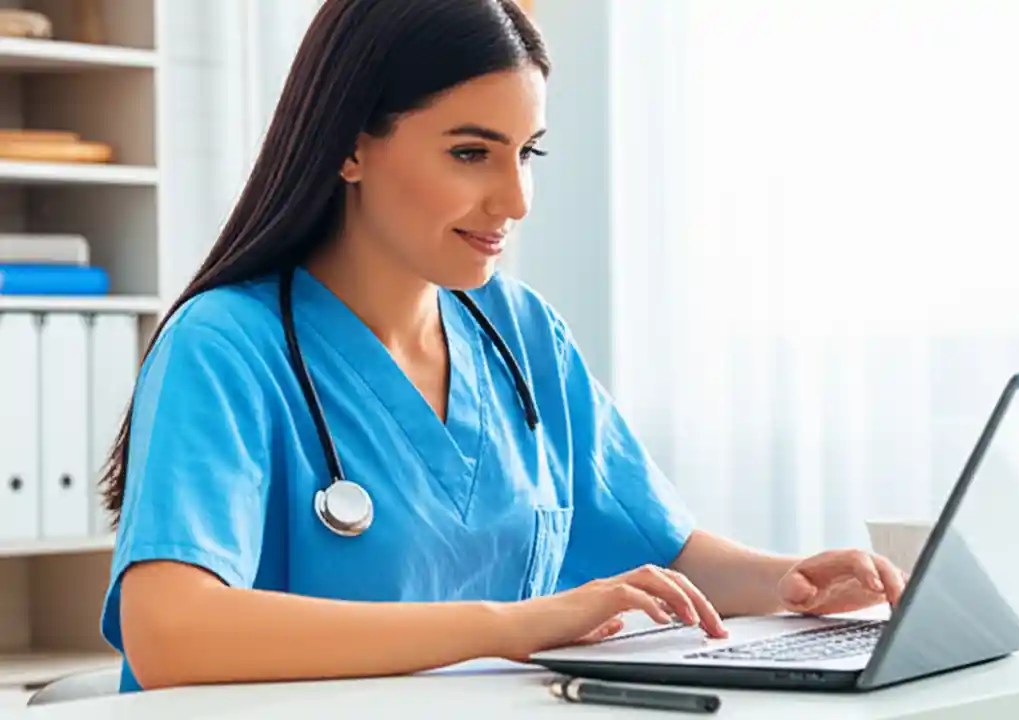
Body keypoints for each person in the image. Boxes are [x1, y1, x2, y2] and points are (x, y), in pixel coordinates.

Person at [99, 0, 907, 693]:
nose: (515, 198)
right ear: (349, 146)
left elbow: (666, 551)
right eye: (470, 153)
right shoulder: (225, 348)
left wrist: (785, 581)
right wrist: (507, 626)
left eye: (529, 154)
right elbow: (172, 631)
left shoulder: (520, 334)